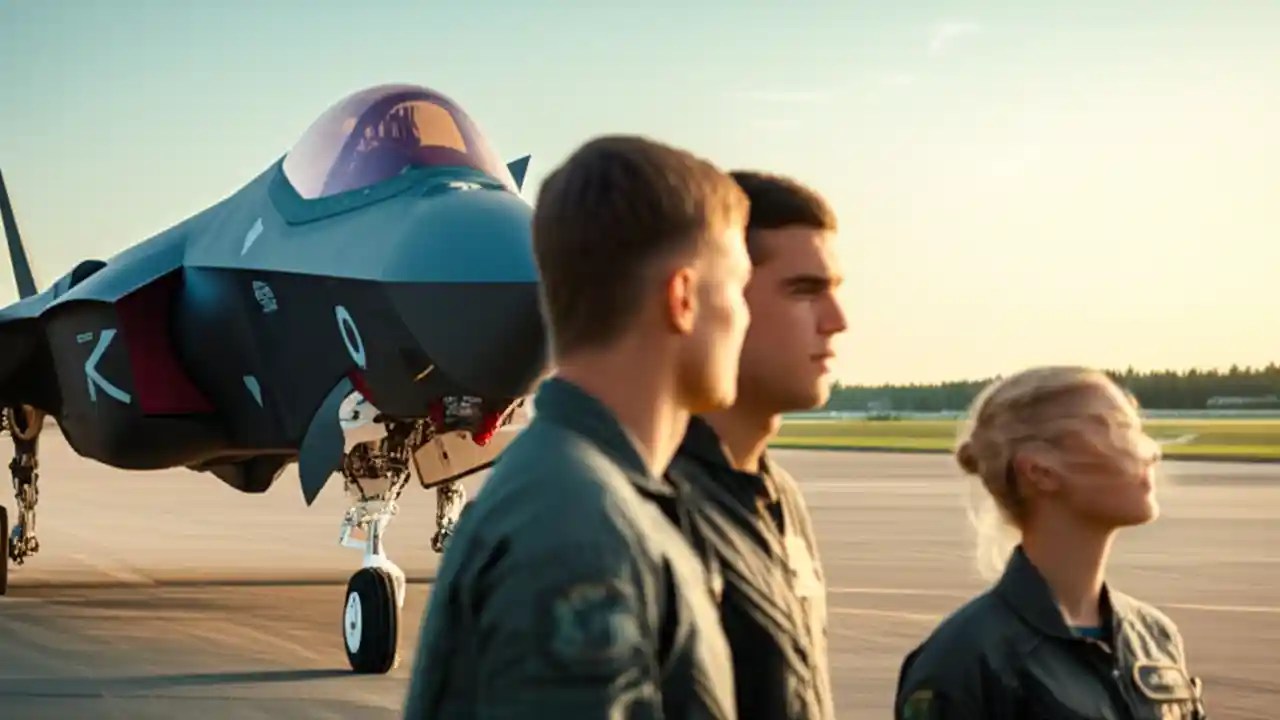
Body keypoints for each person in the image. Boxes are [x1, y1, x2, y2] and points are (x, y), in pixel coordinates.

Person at [402, 134, 754, 719]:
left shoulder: (593, 494)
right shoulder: (578, 531)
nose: (746, 316)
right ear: (683, 297)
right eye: (738, 287)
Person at [893, 366, 1210, 719]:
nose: (1151, 453)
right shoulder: (966, 660)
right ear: (1041, 471)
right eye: (1118, 430)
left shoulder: (1155, 637)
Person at [662, 170, 845, 720]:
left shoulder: (777, 497)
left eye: (835, 291)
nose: (838, 322)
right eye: (804, 291)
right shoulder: (644, 506)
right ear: (701, 295)